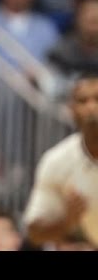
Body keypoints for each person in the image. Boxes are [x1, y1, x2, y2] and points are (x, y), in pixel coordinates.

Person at [23, 73, 98, 249]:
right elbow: (35, 233)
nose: (91, 107)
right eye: (82, 101)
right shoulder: (57, 161)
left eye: (97, 99)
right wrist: (67, 220)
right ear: (71, 110)